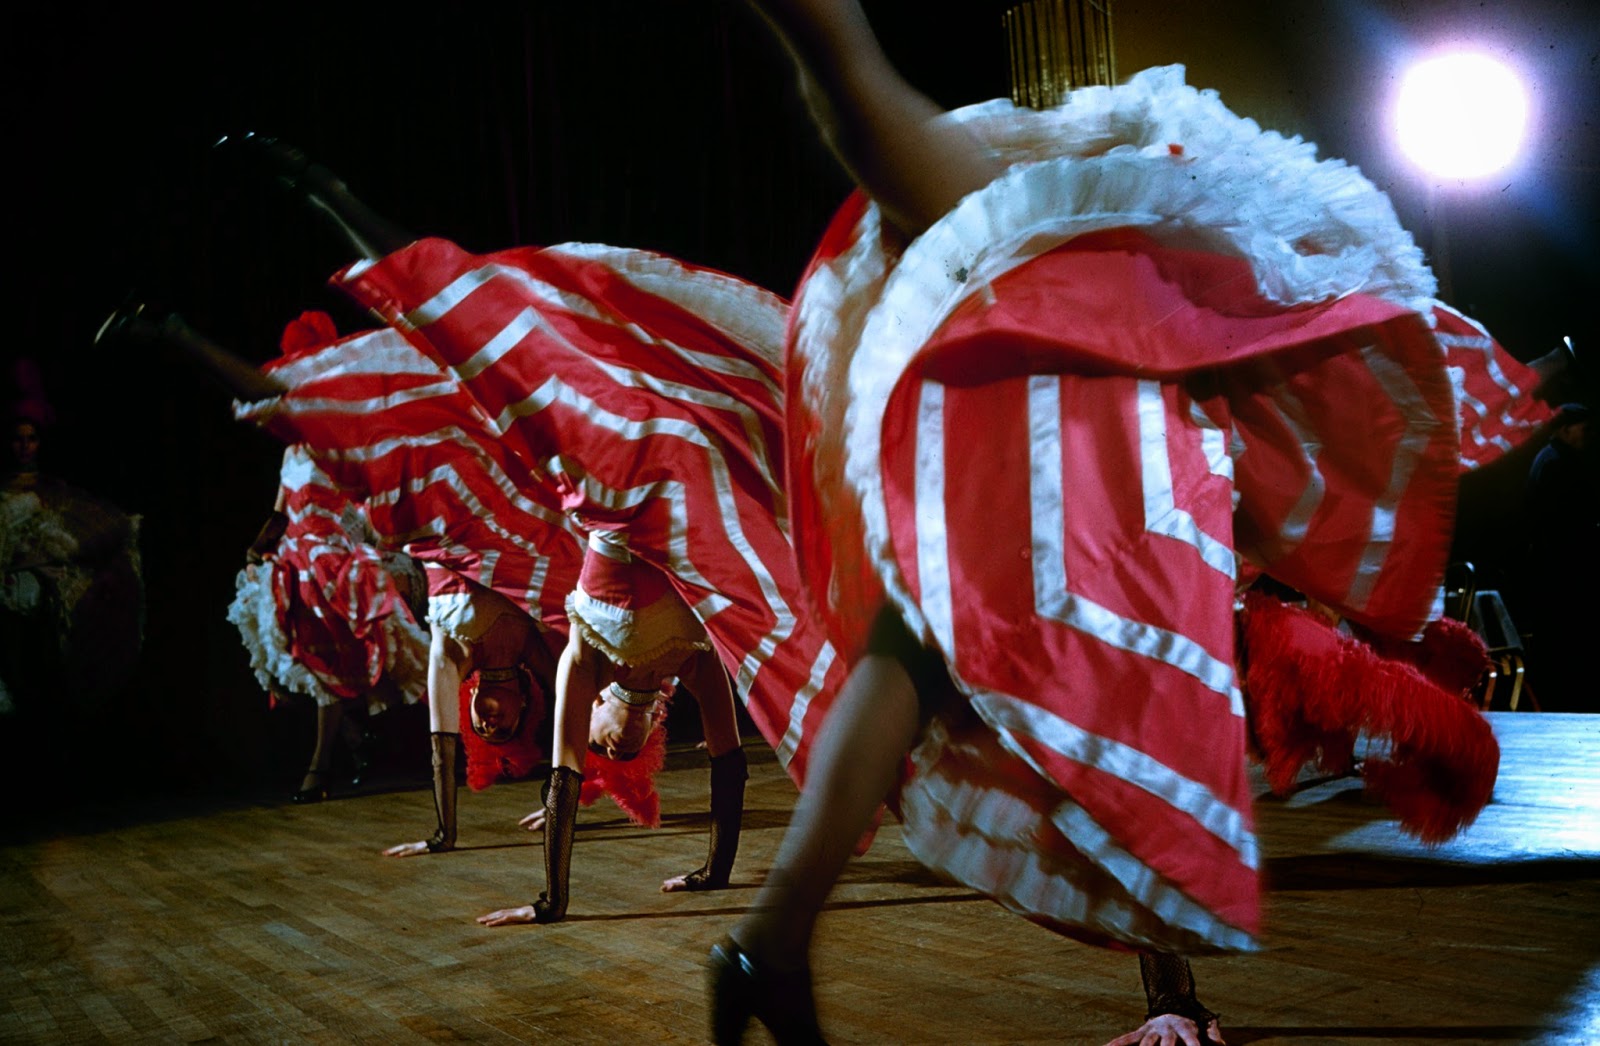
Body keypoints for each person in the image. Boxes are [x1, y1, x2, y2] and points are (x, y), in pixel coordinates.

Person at [710, 3, 1519, 1045]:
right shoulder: (1147, 270)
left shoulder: (1177, 360)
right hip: (1052, 366)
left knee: (922, 654)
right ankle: (792, 943)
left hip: (992, 391)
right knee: (1093, 678)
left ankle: (772, 936)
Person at [476, 528, 750, 926]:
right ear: (656, 721)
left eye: (601, 749)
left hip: (617, 533)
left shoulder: (584, 661)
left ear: (596, 703)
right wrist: (715, 873)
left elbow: (563, 780)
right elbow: (730, 763)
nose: (614, 750)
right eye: (624, 753)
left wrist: (550, 903)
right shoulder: (694, 660)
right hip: (682, 532)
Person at [229, 439, 430, 803]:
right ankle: (352, 730)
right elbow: (280, 513)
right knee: (288, 656)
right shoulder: (292, 451)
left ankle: (319, 766)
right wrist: (256, 549)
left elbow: (375, 505)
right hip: (296, 557)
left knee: (331, 648)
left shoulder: (344, 445)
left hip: (336, 556)